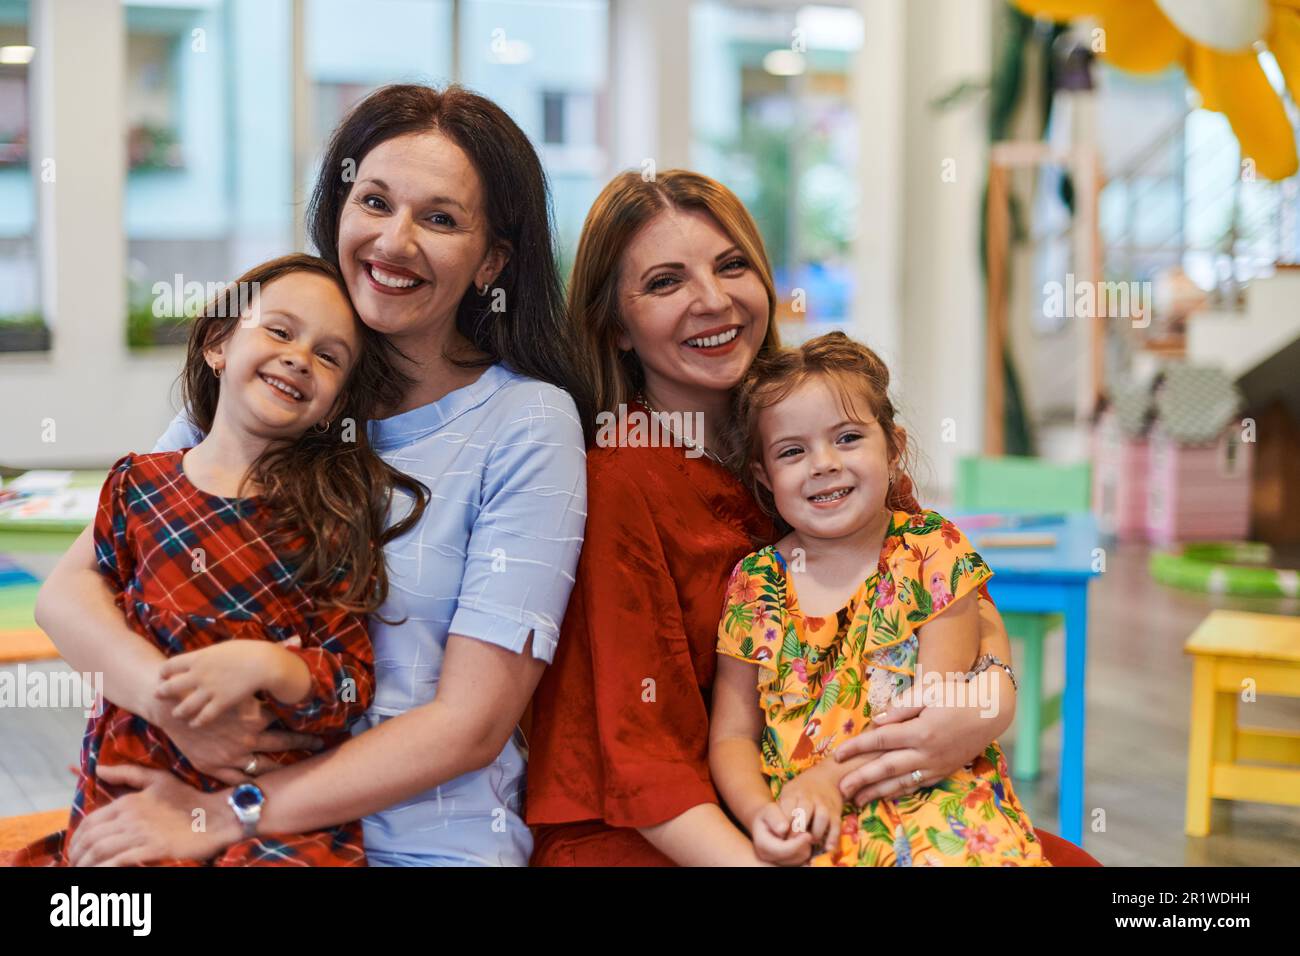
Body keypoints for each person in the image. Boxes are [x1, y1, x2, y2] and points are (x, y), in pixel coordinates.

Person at [34, 85, 587, 867]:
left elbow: (471, 726)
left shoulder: (528, 424)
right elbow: (69, 593)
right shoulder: (275, 385)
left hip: (419, 845)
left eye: (439, 218)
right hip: (188, 810)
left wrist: (225, 813)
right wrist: (171, 701)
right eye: (374, 201)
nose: (394, 241)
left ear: (491, 259)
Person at [526, 169, 1022, 866]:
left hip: (842, 799)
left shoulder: (820, 426)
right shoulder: (618, 484)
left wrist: (990, 703)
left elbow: (950, 593)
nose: (713, 300)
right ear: (617, 328)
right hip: (664, 830)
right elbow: (640, 760)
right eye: (666, 282)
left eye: (732, 267)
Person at [13, 254, 428, 866]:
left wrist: (264, 664)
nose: (298, 357)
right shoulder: (135, 487)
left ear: (339, 403)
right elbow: (77, 620)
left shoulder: (332, 520)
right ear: (218, 344)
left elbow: (348, 685)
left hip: (267, 814)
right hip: (132, 789)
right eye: (280, 331)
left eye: (329, 356)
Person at [710, 331, 1047, 866]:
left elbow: (936, 706)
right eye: (792, 451)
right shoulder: (755, 585)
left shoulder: (930, 551)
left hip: (934, 806)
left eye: (847, 438)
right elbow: (731, 735)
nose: (823, 463)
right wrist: (759, 817)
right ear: (764, 476)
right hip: (811, 825)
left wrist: (829, 779)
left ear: (893, 447)